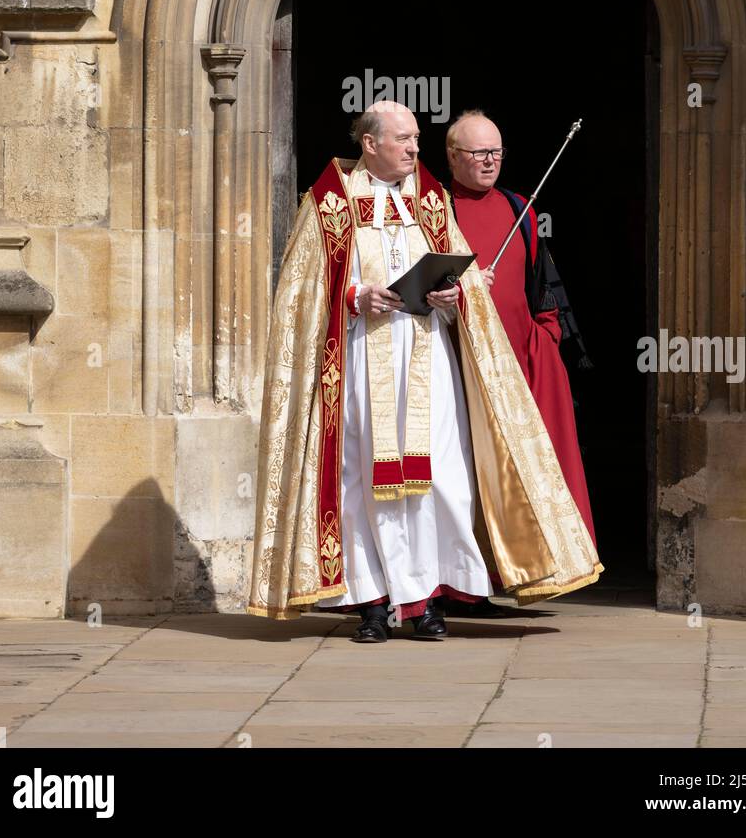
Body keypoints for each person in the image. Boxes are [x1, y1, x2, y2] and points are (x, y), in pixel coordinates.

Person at [248, 100, 602, 640]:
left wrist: (453, 293)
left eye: (417, 138)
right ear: (370, 144)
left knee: (439, 480)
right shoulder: (328, 204)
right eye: (405, 139)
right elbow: (297, 295)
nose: (416, 148)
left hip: (427, 358)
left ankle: (427, 600)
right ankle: (370, 603)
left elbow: (468, 287)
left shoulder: (432, 201)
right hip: (360, 362)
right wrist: (353, 295)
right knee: (362, 483)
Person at [447, 110, 597, 550]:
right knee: (470, 469)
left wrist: (547, 337)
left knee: (521, 468)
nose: (490, 160)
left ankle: (517, 567)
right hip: (462, 361)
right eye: (479, 152)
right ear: (454, 157)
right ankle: (464, 583)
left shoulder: (521, 210)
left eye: (497, 151)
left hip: (521, 360)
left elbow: (542, 284)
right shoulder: (436, 209)